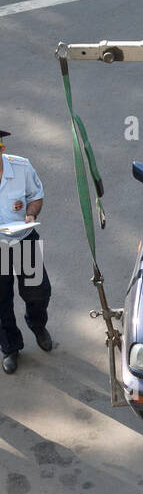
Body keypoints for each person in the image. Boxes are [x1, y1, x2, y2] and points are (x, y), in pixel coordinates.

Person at [0, 129, 51, 374]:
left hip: (23, 238)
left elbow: (36, 196)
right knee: (1, 304)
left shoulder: (21, 167)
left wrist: (31, 214)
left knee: (38, 293)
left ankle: (37, 325)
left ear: (1, 149)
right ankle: (11, 348)